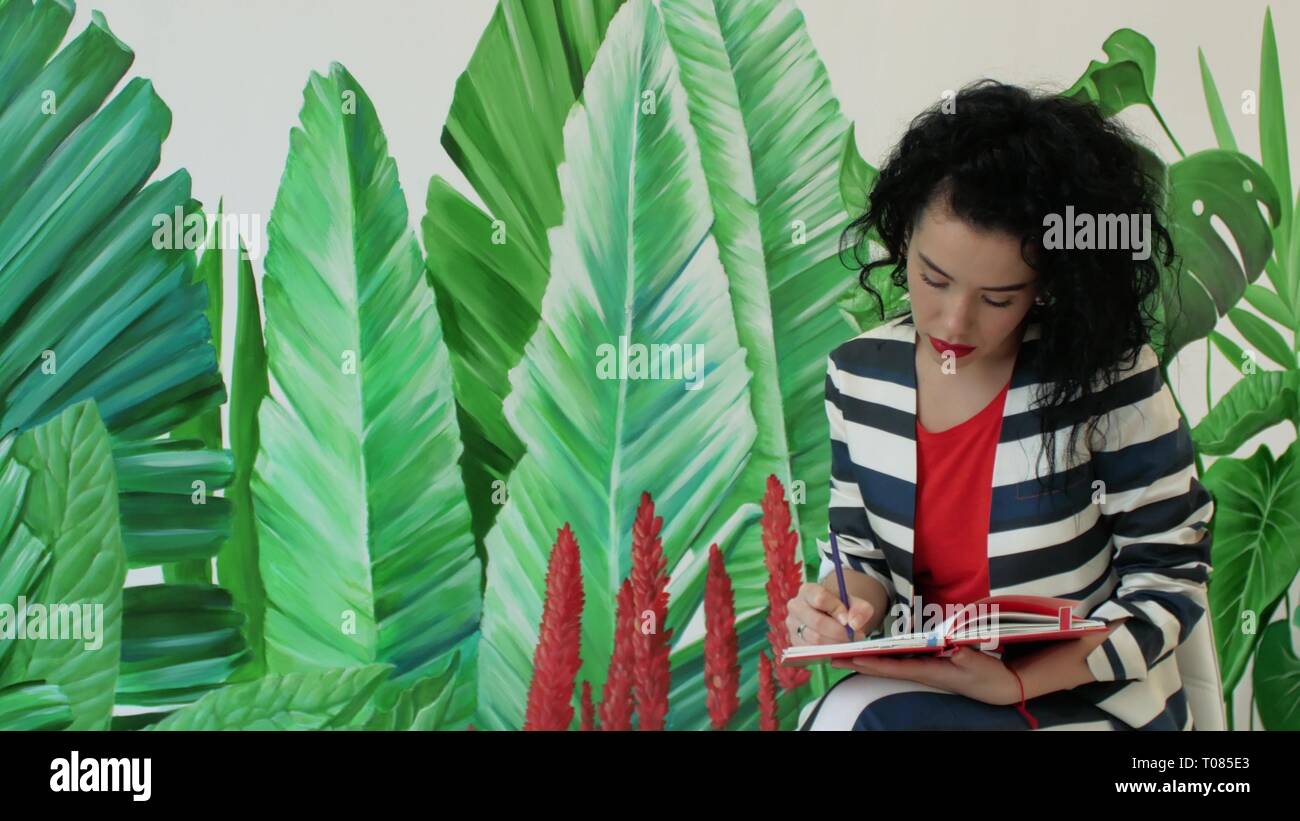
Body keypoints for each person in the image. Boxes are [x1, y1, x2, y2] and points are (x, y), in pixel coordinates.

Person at [791, 79, 1215, 731]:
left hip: (1087, 698)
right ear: (903, 237)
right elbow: (860, 557)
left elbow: (1171, 573)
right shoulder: (861, 373)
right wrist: (841, 607)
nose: (954, 321)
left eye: (998, 298)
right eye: (933, 278)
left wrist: (1017, 679)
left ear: (1048, 282)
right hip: (934, 690)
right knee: (845, 716)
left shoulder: (1105, 377)